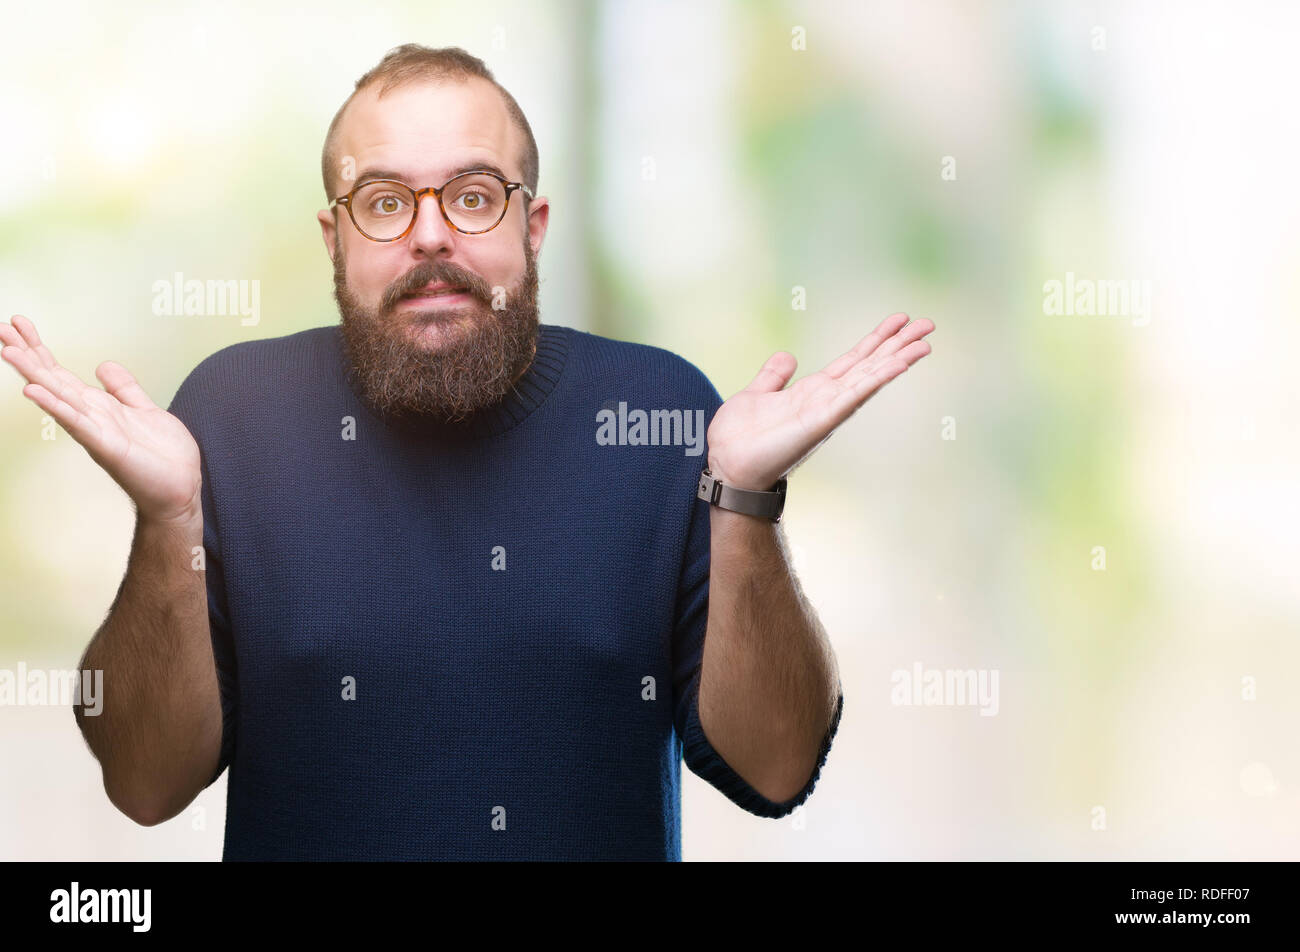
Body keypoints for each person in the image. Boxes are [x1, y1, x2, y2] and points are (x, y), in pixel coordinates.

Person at [0, 45, 933, 860]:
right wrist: (167, 523)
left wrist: (746, 498)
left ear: (533, 229)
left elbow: (774, 769)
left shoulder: (664, 414)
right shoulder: (230, 415)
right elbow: (146, 784)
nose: (431, 232)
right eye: (385, 200)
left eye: (475, 195)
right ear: (336, 239)